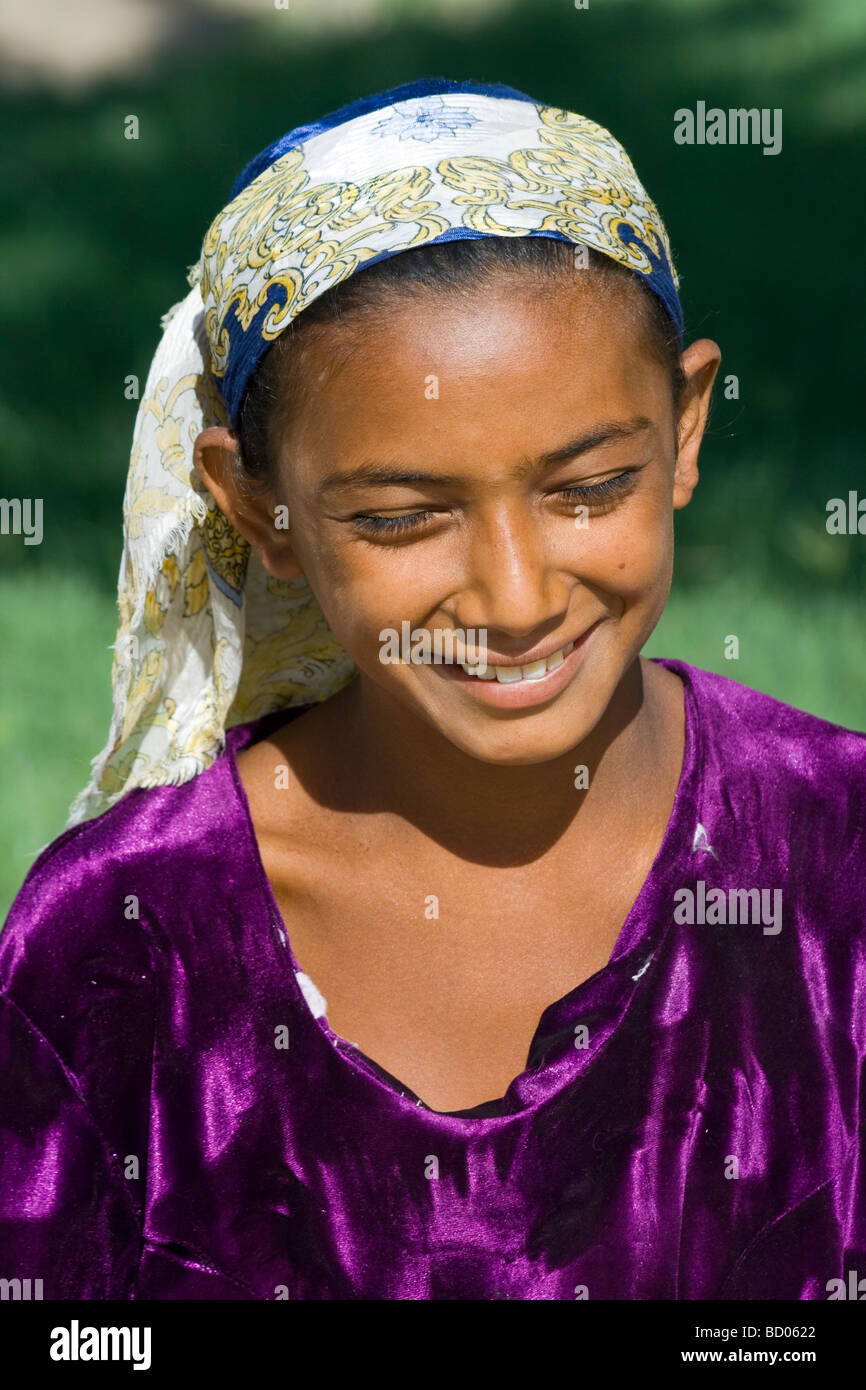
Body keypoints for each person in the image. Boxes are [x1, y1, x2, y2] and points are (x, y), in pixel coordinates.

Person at [1, 78, 864, 1301]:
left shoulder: (836, 860)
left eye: (585, 489)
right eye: (401, 517)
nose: (511, 599)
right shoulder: (125, 938)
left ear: (680, 430)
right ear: (260, 509)